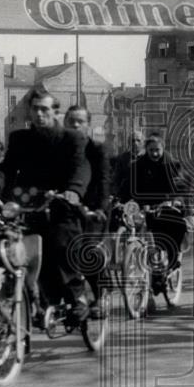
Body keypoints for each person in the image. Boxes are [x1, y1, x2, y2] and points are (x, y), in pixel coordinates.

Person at [0, 86, 91, 322]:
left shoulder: (71, 138)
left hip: (61, 204)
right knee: (10, 249)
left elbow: (80, 168)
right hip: (28, 206)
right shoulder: (20, 138)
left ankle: (78, 298)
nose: (39, 114)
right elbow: (7, 168)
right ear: (29, 112)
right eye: (35, 109)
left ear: (55, 111)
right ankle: (7, 312)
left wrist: (73, 191)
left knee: (62, 243)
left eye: (44, 109)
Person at [65, 106, 111, 308]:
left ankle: (100, 293)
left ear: (88, 125)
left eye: (80, 121)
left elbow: (103, 180)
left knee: (88, 250)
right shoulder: (60, 149)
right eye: (71, 120)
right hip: (67, 208)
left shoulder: (96, 150)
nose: (75, 125)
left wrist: (100, 208)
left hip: (93, 210)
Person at [125, 134, 190, 273]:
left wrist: (176, 200)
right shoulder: (137, 165)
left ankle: (173, 261)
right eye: (151, 150)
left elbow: (181, 186)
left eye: (157, 150)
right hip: (146, 206)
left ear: (163, 148)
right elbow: (128, 186)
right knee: (131, 224)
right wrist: (119, 199)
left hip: (167, 204)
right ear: (146, 149)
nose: (154, 153)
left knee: (175, 225)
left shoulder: (173, 164)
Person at [112, 131, 144, 200]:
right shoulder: (123, 158)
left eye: (138, 140)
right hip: (127, 195)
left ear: (143, 142)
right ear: (129, 143)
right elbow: (117, 178)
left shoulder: (148, 157)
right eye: (132, 140)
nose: (135, 143)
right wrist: (116, 194)